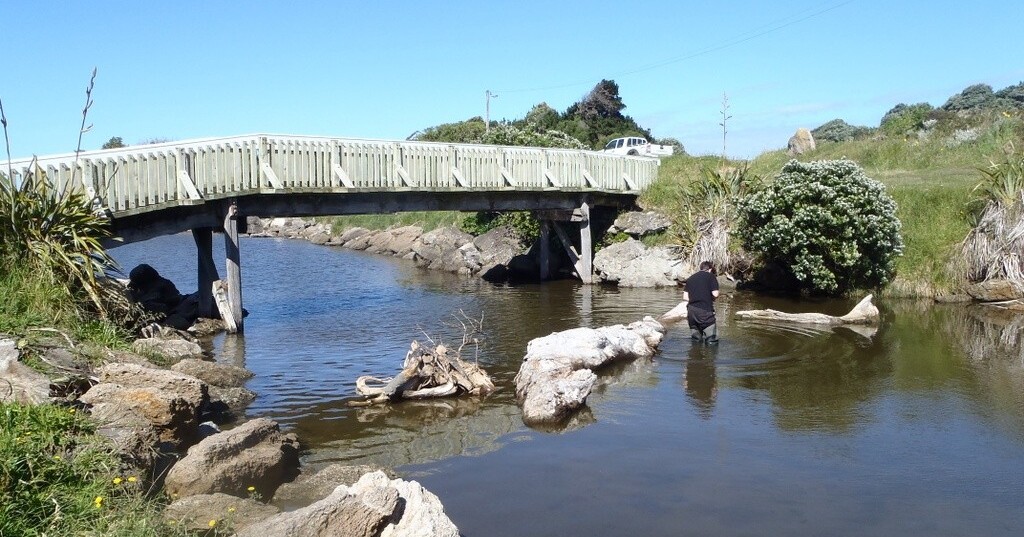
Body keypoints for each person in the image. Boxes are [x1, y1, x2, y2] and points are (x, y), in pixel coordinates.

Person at [683, 261, 720, 343]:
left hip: (691, 312)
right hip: (705, 311)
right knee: (711, 341)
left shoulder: (691, 278)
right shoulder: (711, 276)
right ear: (710, 269)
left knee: (696, 341)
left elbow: (685, 297)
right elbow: (715, 294)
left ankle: (695, 350)